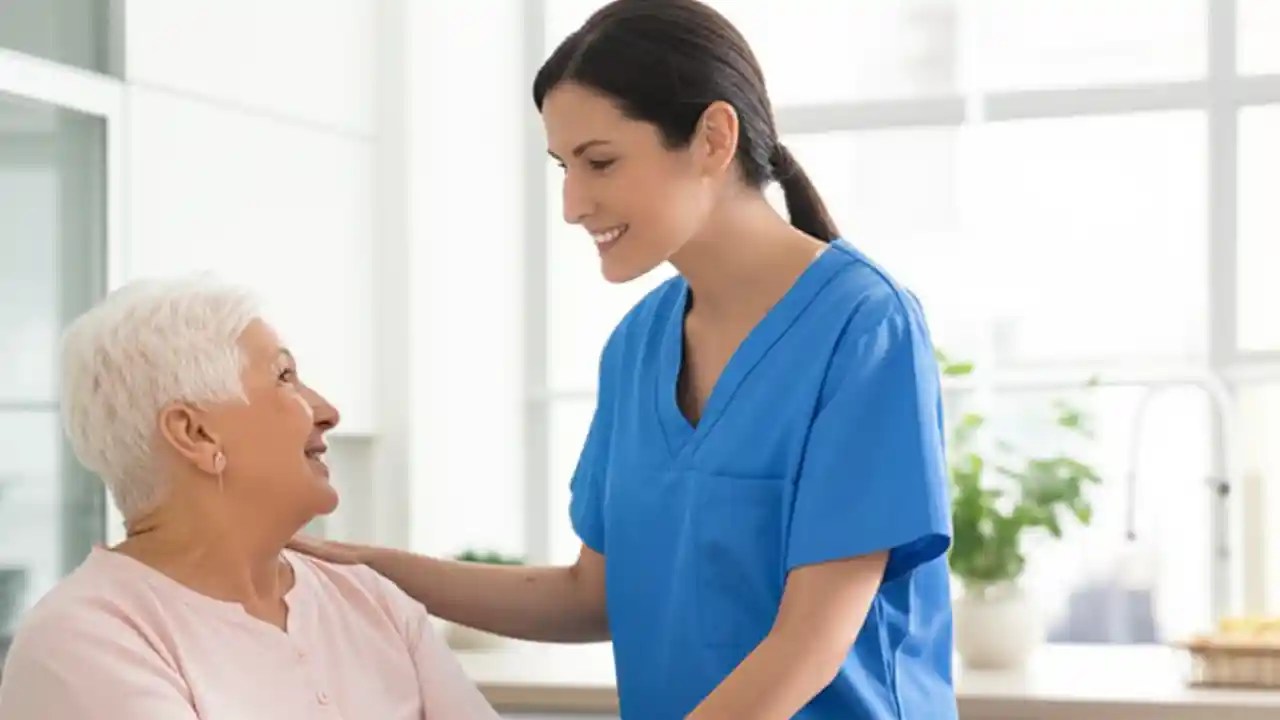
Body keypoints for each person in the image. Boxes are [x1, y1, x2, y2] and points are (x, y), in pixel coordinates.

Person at [291, 0, 956, 717]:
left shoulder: (864, 326)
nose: (573, 203)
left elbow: (808, 644)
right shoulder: (638, 346)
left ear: (712, 137)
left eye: (599, 161)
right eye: (562, 167)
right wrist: (373, 570)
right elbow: (592, 596)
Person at [0, 276, 499, 720]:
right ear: (195, 433)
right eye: (285, 377)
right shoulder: (85, 638)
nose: (327, 411)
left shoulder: (368, 600)